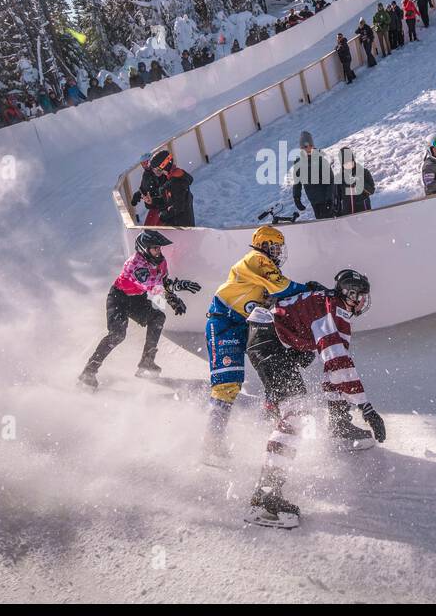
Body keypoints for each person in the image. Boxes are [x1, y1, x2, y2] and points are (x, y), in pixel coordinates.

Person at [242, 269, 384, 528]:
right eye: (361, 296)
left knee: (293, 410)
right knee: (295, 414)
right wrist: (366, 407)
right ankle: (265, 498)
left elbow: (334, 370)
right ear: (349, 295)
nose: (364, 302)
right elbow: (339, 363)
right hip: (269, 341)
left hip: (276, 342)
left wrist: (341, 414)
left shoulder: (332, 306)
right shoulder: (333, 310)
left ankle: (338, 425)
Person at [203, 226, 318, 464]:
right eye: (275, 247)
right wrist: (309, 289)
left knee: (271, 366)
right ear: (264, 245)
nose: (278, 252)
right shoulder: (256, 259)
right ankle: (211, 443)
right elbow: (283, 287)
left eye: (279, 248)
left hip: (246, 324)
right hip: (225, 322)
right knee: (227, 385)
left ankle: (271, 415)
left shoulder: (265, 266)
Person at [78, 230, 200, 389]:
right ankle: (89, 371)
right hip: (119, 298)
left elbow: (162, 281)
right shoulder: (134, 263)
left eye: (159, 248)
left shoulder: (161, 262)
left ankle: (147, 361)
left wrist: (173, 299)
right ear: (144, 248)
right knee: (117, 335)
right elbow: (151, 286)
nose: (158, 251)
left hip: (137, 299)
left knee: (158, 317)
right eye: (155, 248)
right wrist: (179, 285)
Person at [291, 131, 337, 220]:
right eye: (303, 147)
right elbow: (297, 183)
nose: (306, 149)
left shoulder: (320, 161)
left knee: (329, 224)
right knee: (320, 224)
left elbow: (330, 182)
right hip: (313, 200)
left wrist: (329, 199)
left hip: (325, 199)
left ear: (312, 146)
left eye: (308, 146)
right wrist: (297, 198)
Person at [333, 147, 375, 216]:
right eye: (345, 163)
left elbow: (371, 191)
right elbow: (337, 199)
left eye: (350, 161)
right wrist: (338, 216)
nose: (348, 164)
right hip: (348, 216)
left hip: (365, 213)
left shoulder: (364, 172)